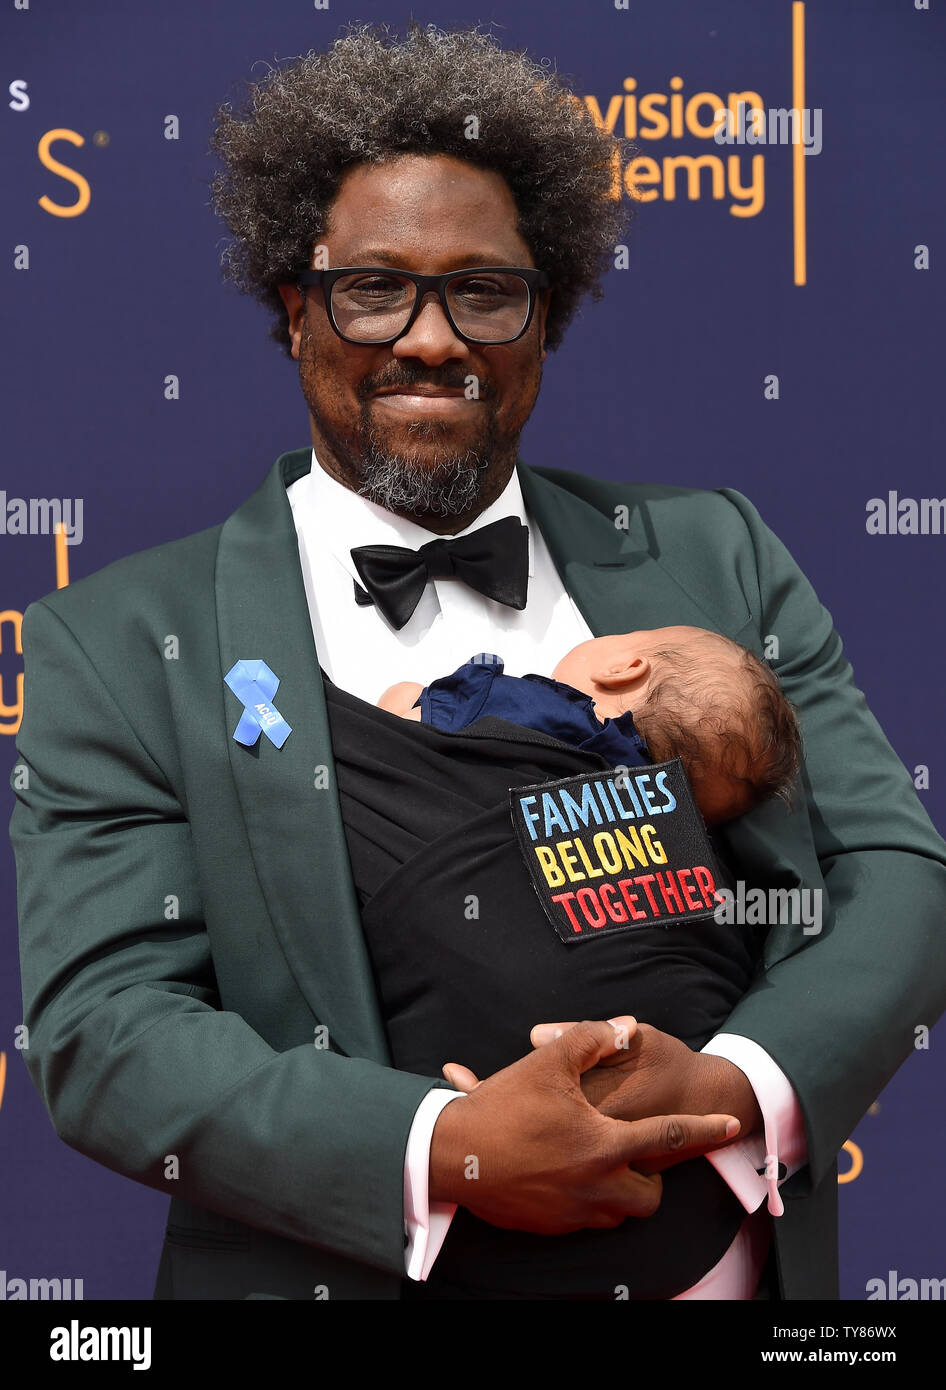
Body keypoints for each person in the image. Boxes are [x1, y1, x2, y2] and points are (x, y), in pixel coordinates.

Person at [10, 24, 946, 1302]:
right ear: (296, 311)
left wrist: (734, 1085)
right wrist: (441, 1148)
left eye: (485, 291)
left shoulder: (713, 555)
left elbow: (890, 871)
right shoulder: (118, 644)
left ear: (544, 315)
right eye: (374, 288)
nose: (432, 338)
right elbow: (108, 1032)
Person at [376, 625, 803, 827]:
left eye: (639, 631)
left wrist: (402, 696)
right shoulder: (626, 818)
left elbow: (410, 731)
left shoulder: (526, 706)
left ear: (625, 668)